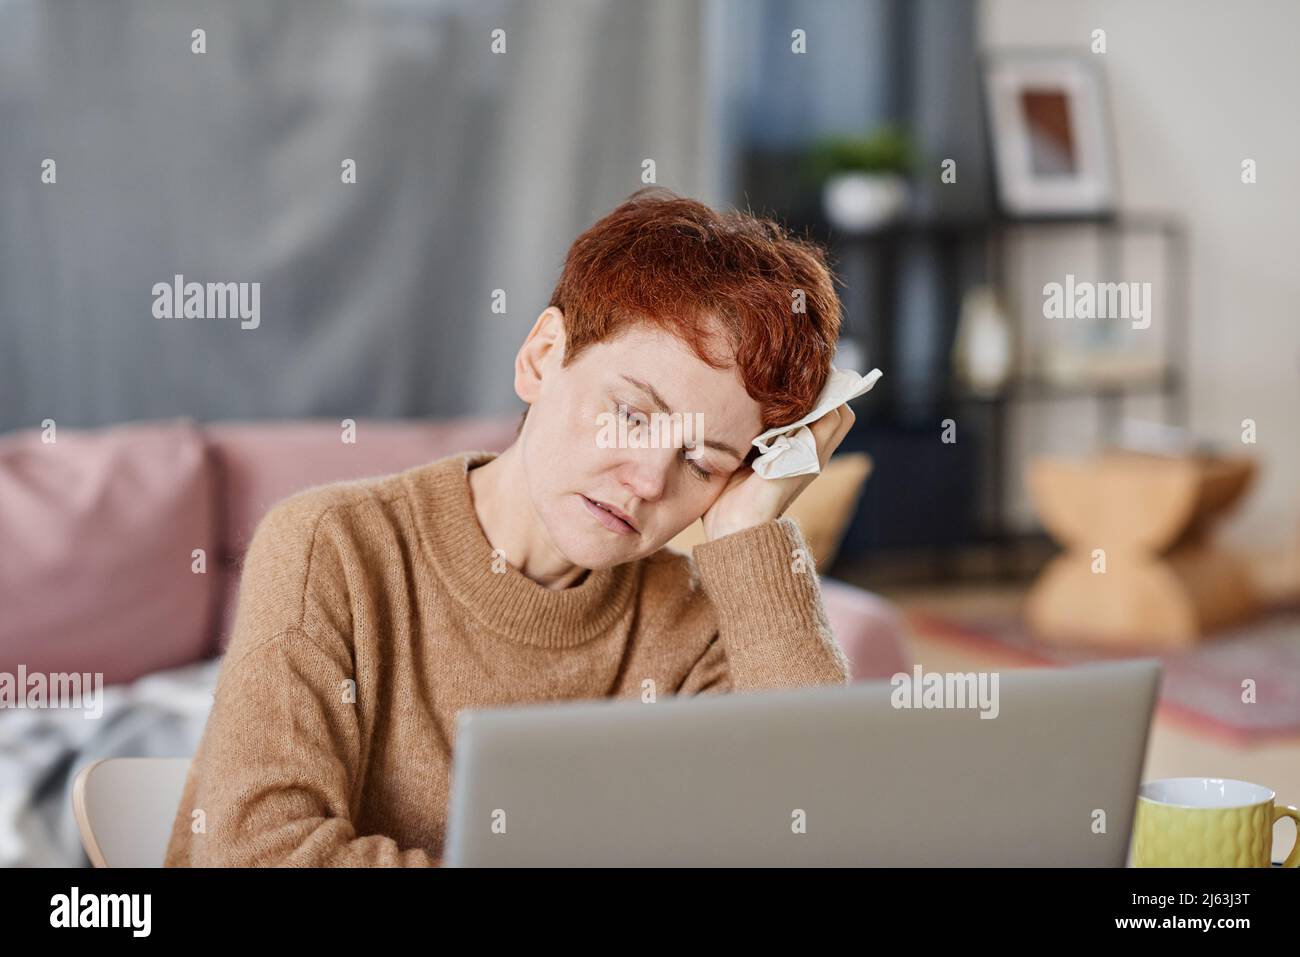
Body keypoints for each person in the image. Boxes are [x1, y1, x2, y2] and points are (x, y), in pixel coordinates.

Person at [164, 187, 858, 867]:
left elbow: (825, 830)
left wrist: (749, 532)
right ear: (540, 357)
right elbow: (253, 853)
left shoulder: (689, 620)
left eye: (701, 462)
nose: (648, 481)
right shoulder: (331, 547)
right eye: (632, 415)